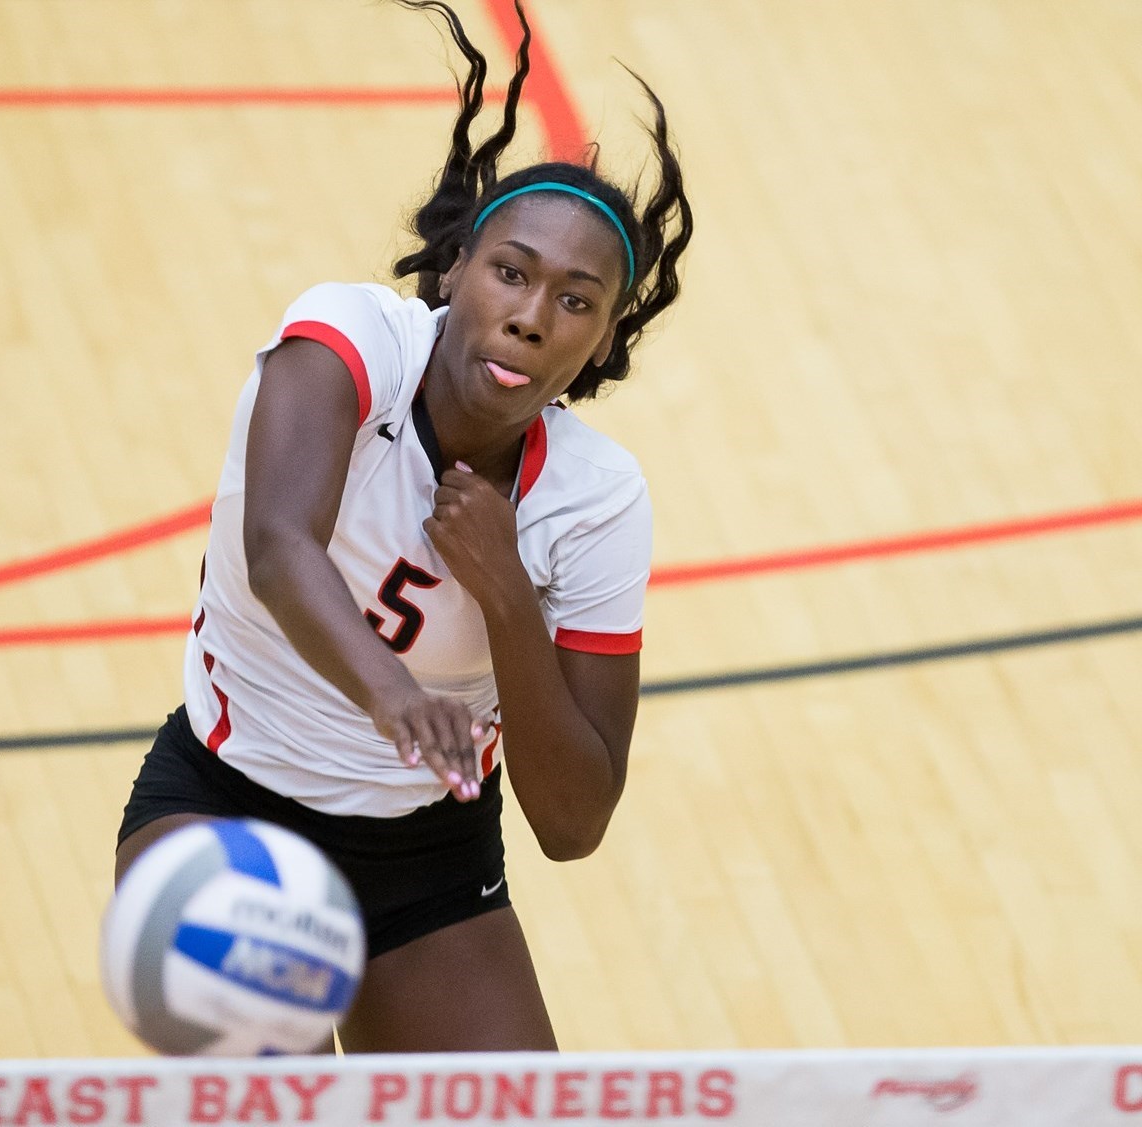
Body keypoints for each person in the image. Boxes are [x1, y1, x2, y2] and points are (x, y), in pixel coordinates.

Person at [115, 0, 692, 1053]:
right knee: (275, 1101)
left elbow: (572, 823)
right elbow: (279, 548)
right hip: (229, 808)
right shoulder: (347, 342)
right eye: (511, 272)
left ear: (604, 340)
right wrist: (399, 698)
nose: (531, 316)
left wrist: (508, 595)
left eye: (575, 301)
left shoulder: (598, 499)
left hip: (426, 856)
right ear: (456, 269)